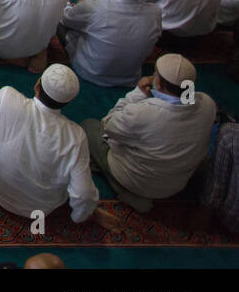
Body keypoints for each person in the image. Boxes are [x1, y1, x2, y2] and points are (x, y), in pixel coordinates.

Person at [0, 64, 101, 227]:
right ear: (70, 101)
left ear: (37, 84)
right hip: (37, 209)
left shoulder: (7, 97)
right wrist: (78, 217)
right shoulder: (76, 136)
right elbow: (84, 193)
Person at [85, 54, 216, 213]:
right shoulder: (208, 104)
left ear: (158, 83)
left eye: (155, 74)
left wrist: (137, 94)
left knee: (89, 127)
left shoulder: (143, 113)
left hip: (139, 182)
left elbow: (109, 125)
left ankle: (131, 193)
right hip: (178, 183)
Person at [60, 0, 161, 88]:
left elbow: (66, 19)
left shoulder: (93, 8)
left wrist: (73, 5)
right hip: (130, 77)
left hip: (90, 72)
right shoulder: (155, 12)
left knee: (61, 18)